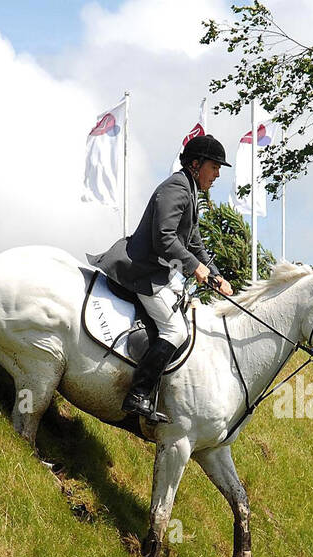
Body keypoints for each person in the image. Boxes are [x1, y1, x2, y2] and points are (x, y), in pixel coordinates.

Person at [87, 134, 234, 423]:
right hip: (142, 270)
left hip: (161, 273)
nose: (217, 174)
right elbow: (164, 238)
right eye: (214, 167)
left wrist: (216, 276)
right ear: (196, 164)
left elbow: (193, 243)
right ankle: (137, 394)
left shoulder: (189, 192)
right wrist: (194, 267)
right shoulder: (176, 189)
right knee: (175, 332)